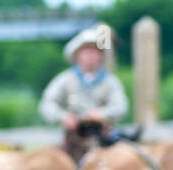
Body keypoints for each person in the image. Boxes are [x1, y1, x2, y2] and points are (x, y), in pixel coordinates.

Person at [39, 27, 130, 163]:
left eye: (96, 51)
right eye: (87, 51)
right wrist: (63, 117)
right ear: (77, 55)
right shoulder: (65, 79)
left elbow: (121, 106)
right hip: (74, 140)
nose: (92, 55)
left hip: (103, 138)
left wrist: (102, 114)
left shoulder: (109, 81)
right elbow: (46, 104)